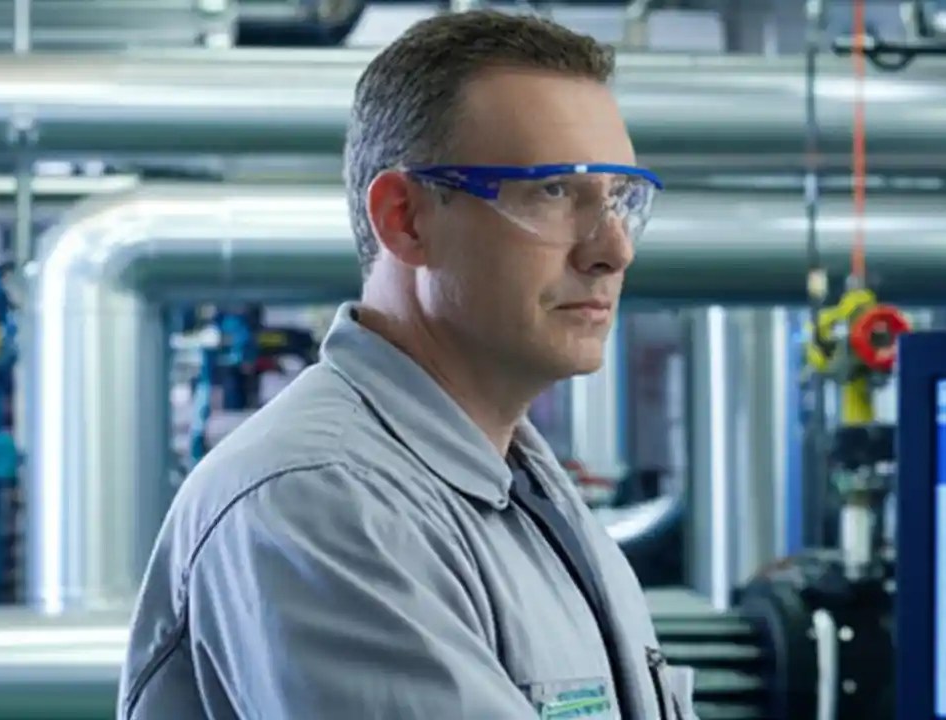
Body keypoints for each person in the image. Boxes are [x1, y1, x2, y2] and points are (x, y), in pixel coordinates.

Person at [117, 9, 696, 720]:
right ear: (405, 218)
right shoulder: (325, 502)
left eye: (619, 200)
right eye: (554, 192)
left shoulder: (531, 491)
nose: (613, 250)